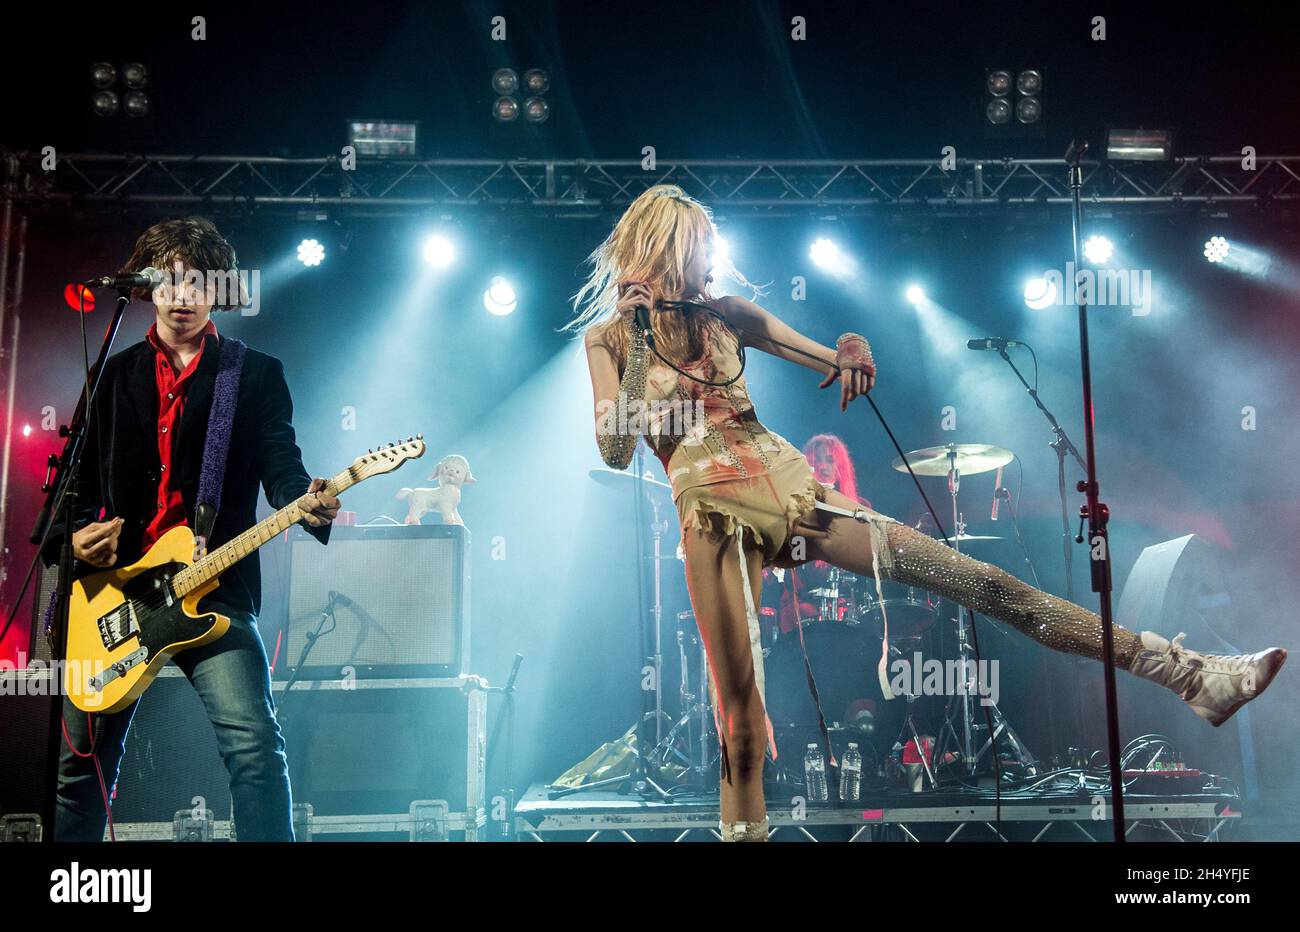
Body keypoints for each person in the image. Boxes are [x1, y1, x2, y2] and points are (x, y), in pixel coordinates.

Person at [570, 184, 1287, 842]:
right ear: (665, 253)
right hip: (713, 518)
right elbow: (612, 445)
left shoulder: (728, 316)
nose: (709, 269)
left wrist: (854, 349)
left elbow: (834, 356)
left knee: (984, 583)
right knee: (743, 730)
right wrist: (635, 338)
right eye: (698, 255)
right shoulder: (607, 338)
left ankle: (1191, 676)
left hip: (792, 492)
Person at [42, 217, 340, 841]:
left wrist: (307, 499)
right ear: (148, 286)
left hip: (213, 587)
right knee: (78, 770)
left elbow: (282, 468)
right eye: (170, 281)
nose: (183, 296)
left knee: (256, 752)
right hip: (111, 598)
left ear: (219, 291)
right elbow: (72, 491)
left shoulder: (253, 375)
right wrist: (72, 539)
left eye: (197, 283)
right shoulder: (111, 375)